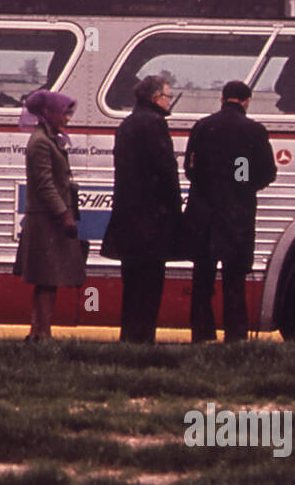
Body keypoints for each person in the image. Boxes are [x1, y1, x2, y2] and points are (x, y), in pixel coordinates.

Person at [182, 79, 277, 343]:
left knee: (203, 279)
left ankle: (202, 335)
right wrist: (245, 186)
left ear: (222, 99)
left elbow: (190, 170)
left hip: (204, 214)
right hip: (238, 215)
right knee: (234, 280)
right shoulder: (255, 131)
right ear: (247, 101)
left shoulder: (202, 127)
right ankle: (235, 336)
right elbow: (268, 172)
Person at [100, 74, 182, 343]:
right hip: (152, 219)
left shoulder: (127, 124)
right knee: (150, 285)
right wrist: (175, 209)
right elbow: (166, 170)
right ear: (156, 98)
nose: (170, 102)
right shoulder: (155, 124)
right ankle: (144, 340)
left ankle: (129, 338)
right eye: (169, 96)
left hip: (128, 216)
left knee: (132, 284)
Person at [13, 89, 85, 342]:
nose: (67, 118)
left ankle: (39, 331)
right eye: (64, 113)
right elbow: (45, 185)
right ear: (48, 113)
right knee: (47, 278)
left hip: (49, 218)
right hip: (47, 220)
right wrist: (63, 214)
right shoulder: (41, 143)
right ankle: (42, 333)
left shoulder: (48, 138)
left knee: (48, 279)